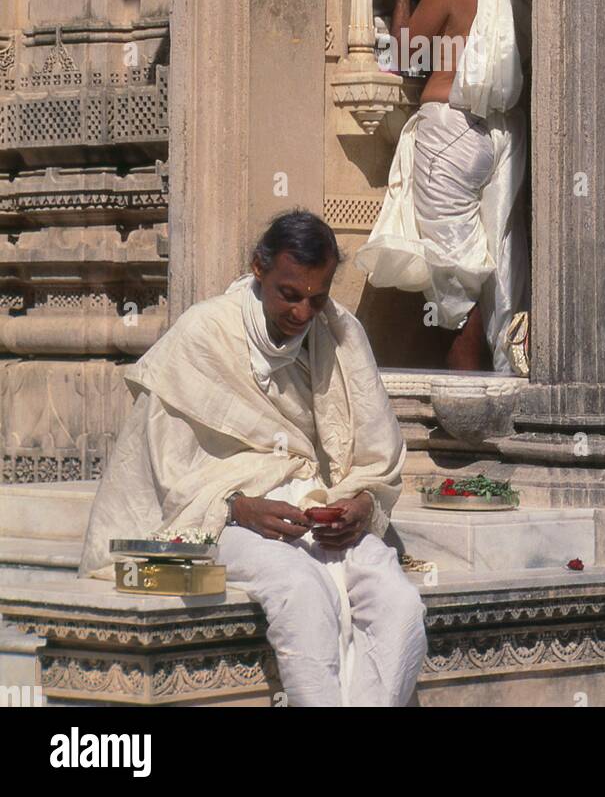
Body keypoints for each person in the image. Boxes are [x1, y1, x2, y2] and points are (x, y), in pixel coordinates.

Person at [78, 209, 427, 708]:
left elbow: (375, 453)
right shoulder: (203, 333)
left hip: (315, 508)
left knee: (400, 605)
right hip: (219, 519)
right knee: (302, 592)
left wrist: (363, 504)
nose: (303, 313)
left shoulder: (340, 332)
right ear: (259, 268)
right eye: (290, 294)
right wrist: (239, 507)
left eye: (317, 297)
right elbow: (167, 471)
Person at [356, 0, 530, 373]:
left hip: (447, 136)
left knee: (455, 279)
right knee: (490, 261)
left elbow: (408, 53)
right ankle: (486, 377)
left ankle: (467, 400)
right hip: (492, 137)